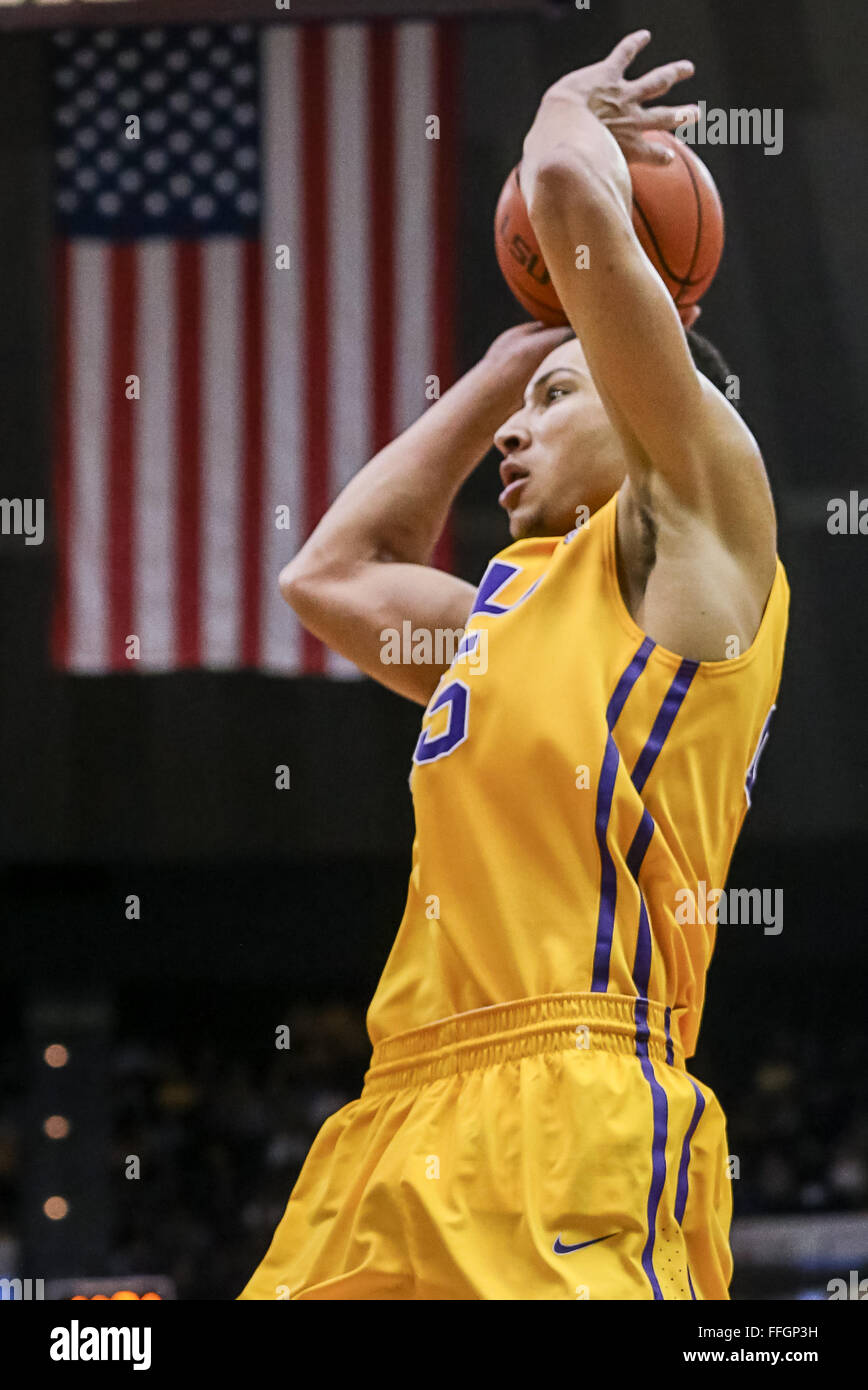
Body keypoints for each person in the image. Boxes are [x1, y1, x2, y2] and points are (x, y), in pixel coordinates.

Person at [239, 29, 788, 1300]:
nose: (513, 434)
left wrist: (559, 109)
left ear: (648, 396)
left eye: (556, 399)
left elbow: (563, 195)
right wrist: (501, 370)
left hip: (577, 1097)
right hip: (394, 1114)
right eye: (521, 408)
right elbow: (326, 573)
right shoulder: (494, 615)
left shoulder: (699, 535)